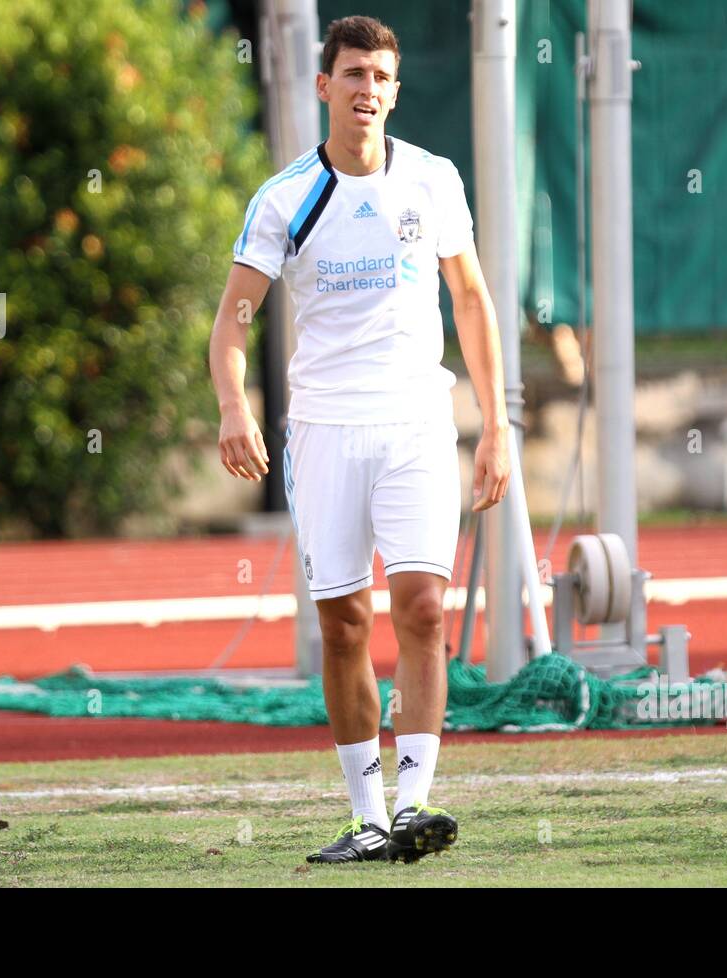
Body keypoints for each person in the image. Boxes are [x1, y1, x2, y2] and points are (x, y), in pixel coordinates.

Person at [208, 14, 510, 864]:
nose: (367, 91)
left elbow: (474, 303)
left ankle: (415, 806)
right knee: (345, 626)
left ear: (395, 91)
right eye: (352, 75)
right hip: (326, 432)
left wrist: (496, 426)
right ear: (323, 87)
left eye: (380, 77)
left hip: (418, 421)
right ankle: (366, 816)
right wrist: (236, 406)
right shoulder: (284, 197)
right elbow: (232, 324)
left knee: (422, 610)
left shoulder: (433, 180)